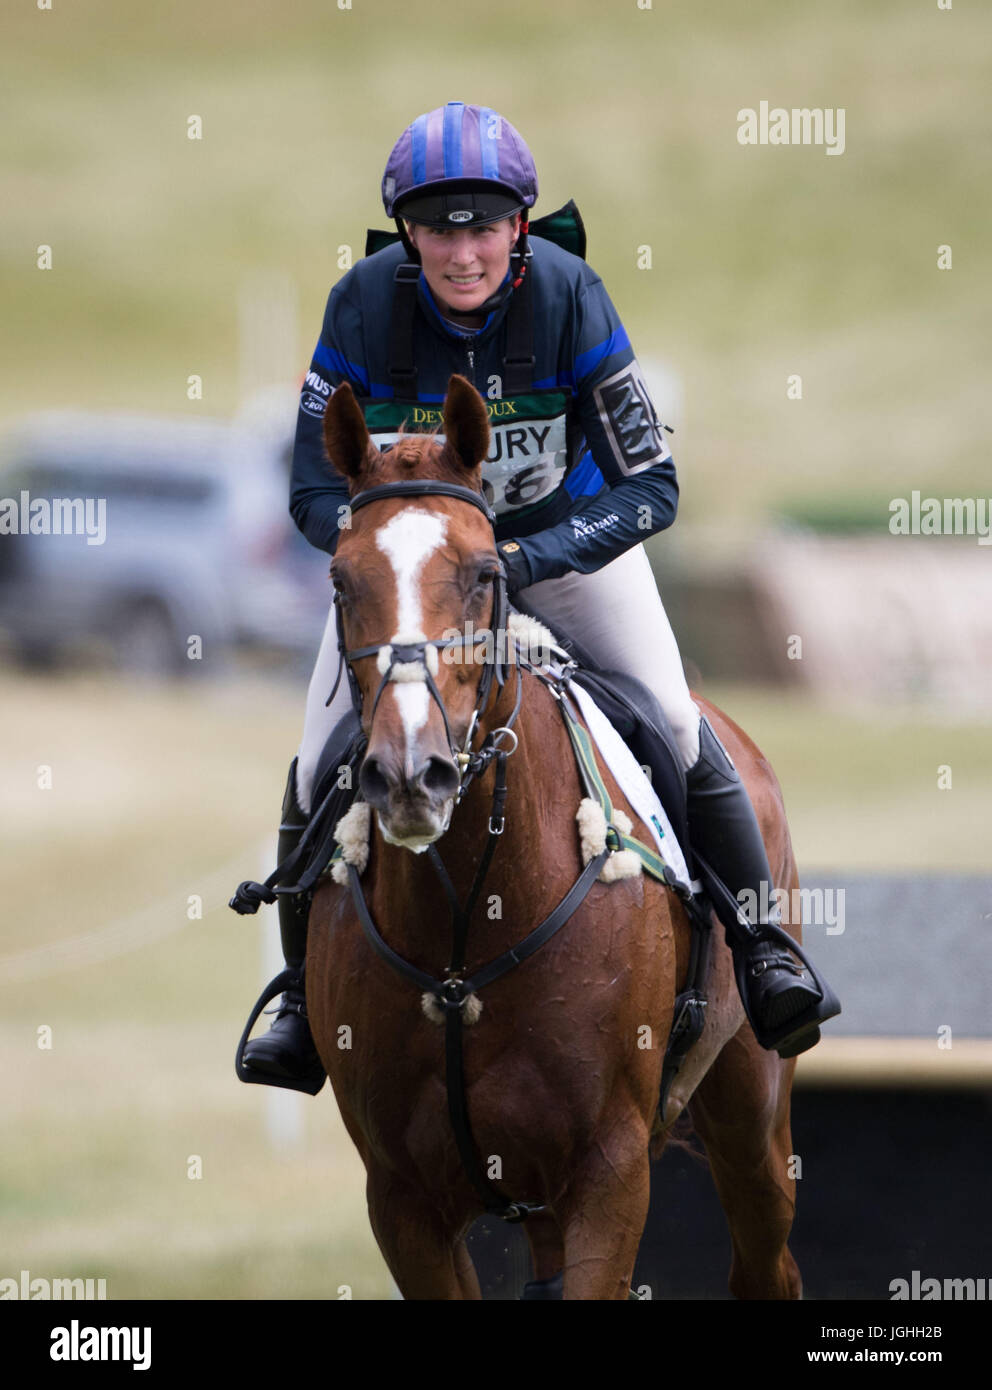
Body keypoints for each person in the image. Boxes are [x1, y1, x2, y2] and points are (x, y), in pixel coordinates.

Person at [235, 101, 839, 1092]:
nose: (460, 250)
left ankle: (763, 947)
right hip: (421, 579)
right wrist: (400, 552)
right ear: (408, 234)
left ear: (518, 226)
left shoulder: (569, 295)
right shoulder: (359, 307)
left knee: (676, 726)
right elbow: (308, 486)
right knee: (318, 757)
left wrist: (524, 560)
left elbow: (653, 485)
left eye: (481, 226)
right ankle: (301, 1000)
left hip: (566, 553)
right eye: (437, 228)